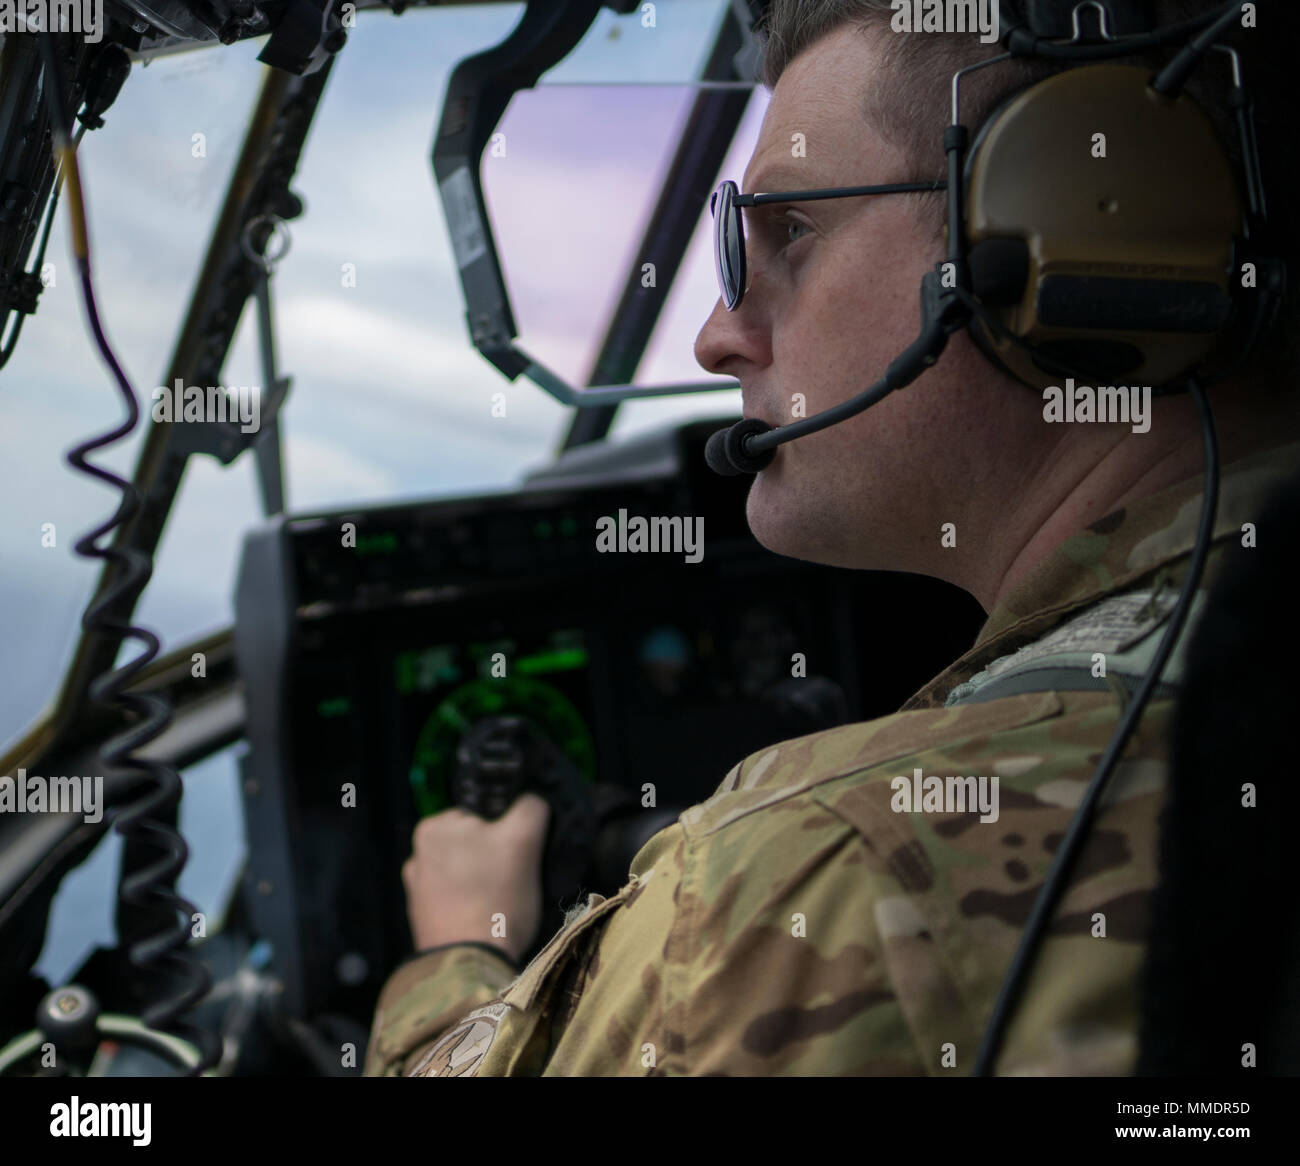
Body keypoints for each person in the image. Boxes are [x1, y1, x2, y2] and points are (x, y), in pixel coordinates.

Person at [364, 0, 1300, 1076]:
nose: (719, 335)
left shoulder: (829, 861)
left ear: (1081, 222)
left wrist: (455, 948)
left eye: (792, 232)